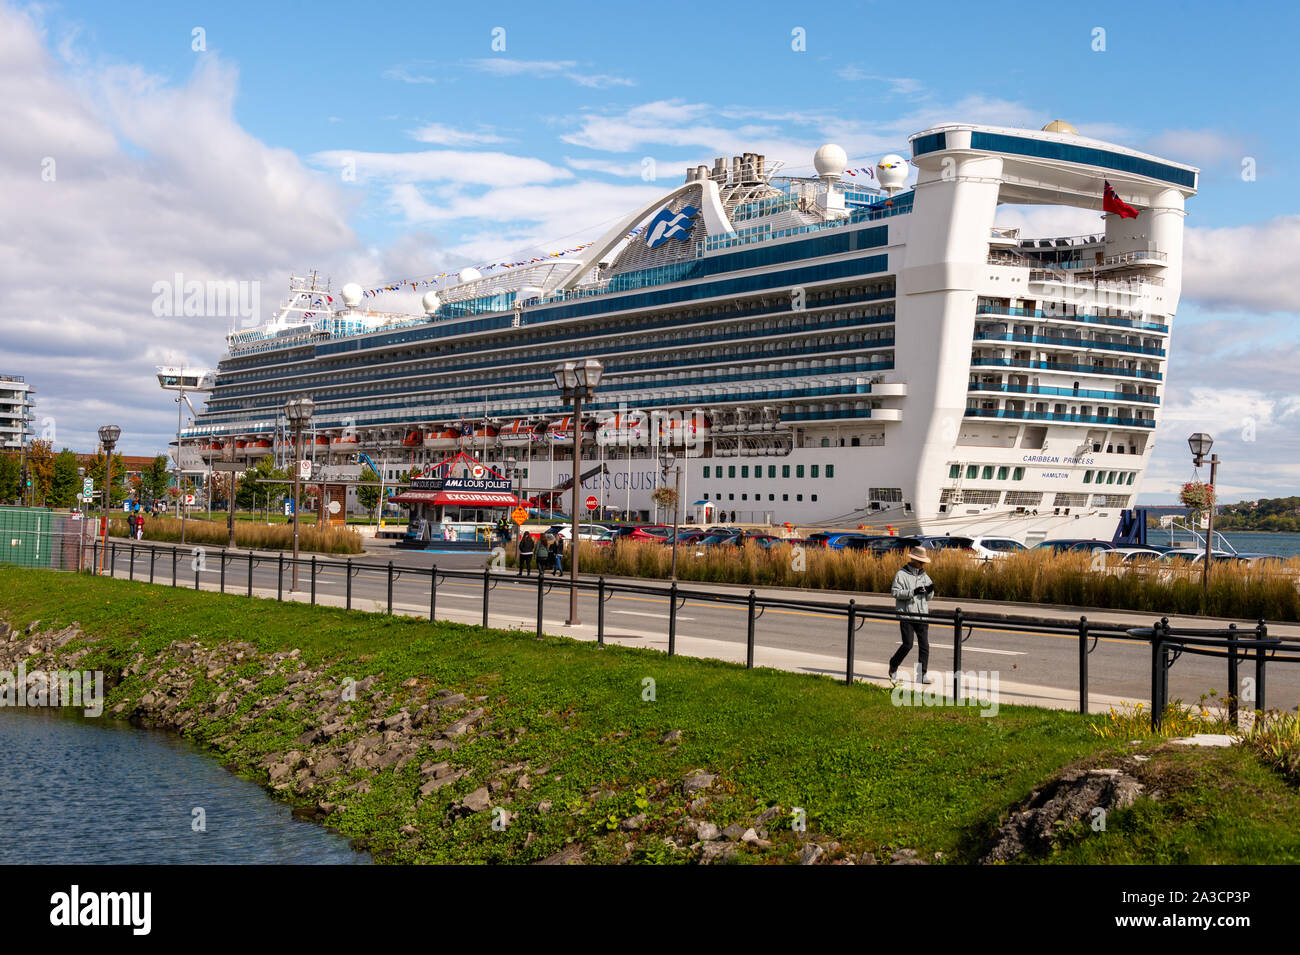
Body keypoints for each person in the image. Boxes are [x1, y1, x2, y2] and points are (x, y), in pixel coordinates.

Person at [889, 547, 935, 684]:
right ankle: (893, 665)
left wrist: (930, 591)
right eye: (920, 562)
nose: (922, 565)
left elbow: (928, 598)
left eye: (923, 563)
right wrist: (912, 592)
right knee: (907, 644)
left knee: (924, 646)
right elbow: (895, 593)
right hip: (907, 615)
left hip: (922, 615)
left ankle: (922, 674)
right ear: (914, 560)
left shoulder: (925, 576)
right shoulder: (901, 574)